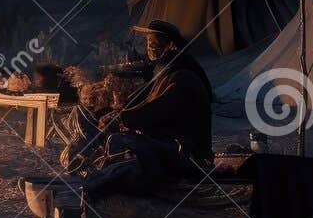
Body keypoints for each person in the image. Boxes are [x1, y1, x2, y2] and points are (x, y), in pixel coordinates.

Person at [69, 19, 212, 197]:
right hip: (170, 144)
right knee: (115, 141)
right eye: (149, 44)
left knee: (121, 142)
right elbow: (141, 100)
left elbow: (157, 111)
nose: (150, 49)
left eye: (154, 44)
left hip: (185, 154)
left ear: (171, 46)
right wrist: (118, 112)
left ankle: (107, 186)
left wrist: (122, 119)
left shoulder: (182, 77)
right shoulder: (165, 71)